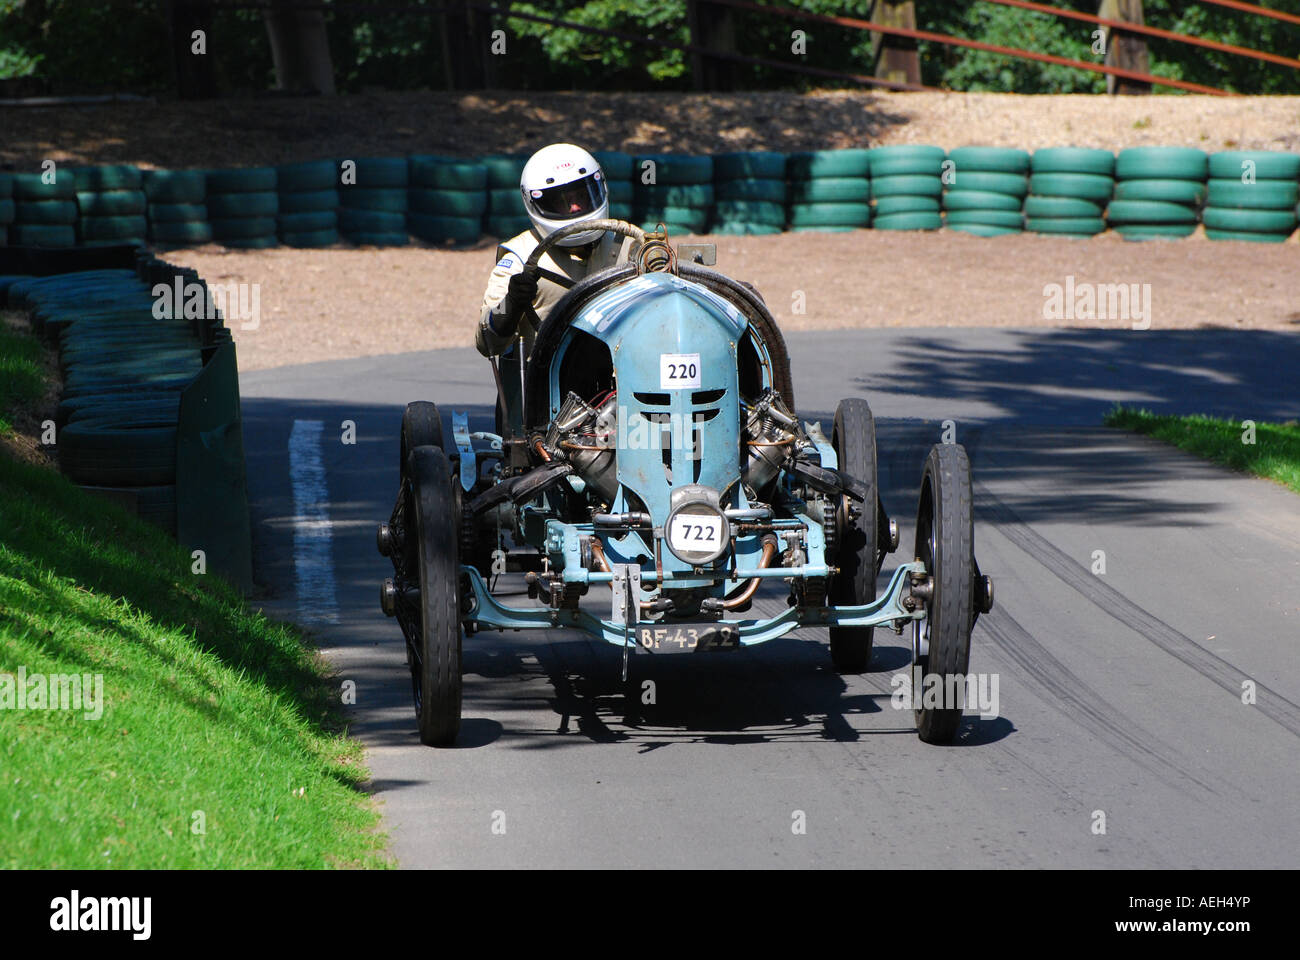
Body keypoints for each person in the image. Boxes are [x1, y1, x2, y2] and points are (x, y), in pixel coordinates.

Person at [476, 143, 638, 359]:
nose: (575, 208)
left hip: (620, 377)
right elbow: (486, 342)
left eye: (582, 195)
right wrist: (512, 303)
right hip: (544, 382)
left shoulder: (630, 244)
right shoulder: (518, 258)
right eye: (562, 201)